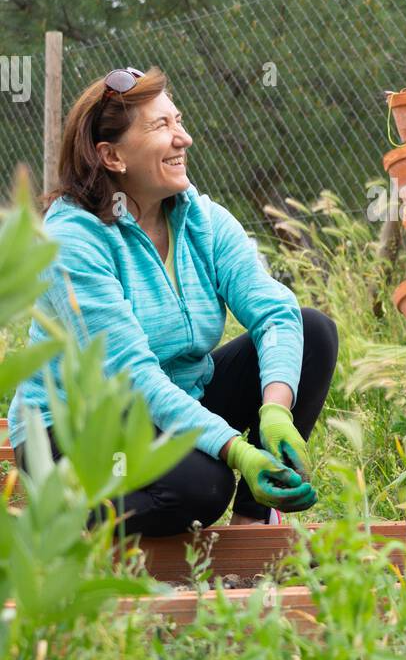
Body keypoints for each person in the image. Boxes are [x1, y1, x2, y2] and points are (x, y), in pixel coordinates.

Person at [9, 65, 338, 536]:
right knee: (202, 486)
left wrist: (276, 411)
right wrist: (236, 449)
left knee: (313, 331)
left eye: (178, 120)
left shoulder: (202, 220)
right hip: (74, 432)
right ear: (112, 155)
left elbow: (275, 312)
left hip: (172, 407)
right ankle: (61, 518)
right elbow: (134, 377)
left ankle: (253, 521)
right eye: (161, 126)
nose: (182, 137)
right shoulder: (74, 241)